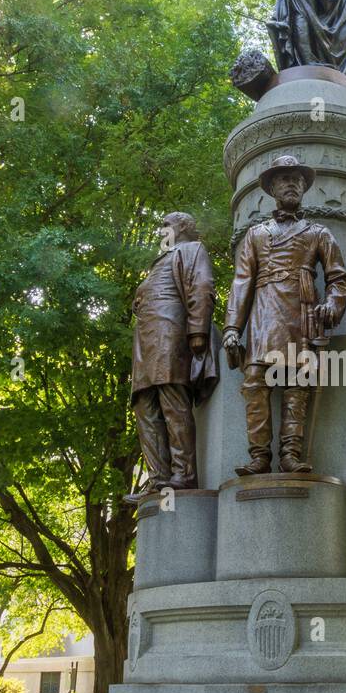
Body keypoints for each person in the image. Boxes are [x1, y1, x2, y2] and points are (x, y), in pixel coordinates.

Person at [223, 155, 346, 475]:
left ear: (305, 188)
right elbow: (241, 284)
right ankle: (259, 456)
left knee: (298, 383)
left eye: (297, 179)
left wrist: (332, 305)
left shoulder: (319, 232)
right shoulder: (255, 235)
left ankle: (290, 455)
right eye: (284, 179)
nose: (292, 184)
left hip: (302, 314)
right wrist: (231, 328)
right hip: (263, 316)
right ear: (272, 188)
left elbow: (339, 278)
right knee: (255, 382)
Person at [125, 211, 218, 502]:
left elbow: (202, 288)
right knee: (144, 406)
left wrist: (198, 331)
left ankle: (183, 474)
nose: (161, 230)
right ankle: (158, 478)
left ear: (184, 227)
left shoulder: (192, 250)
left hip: (169, 334)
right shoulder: (159, 261)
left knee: (172, 401)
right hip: (145, 342)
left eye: (166, 225)